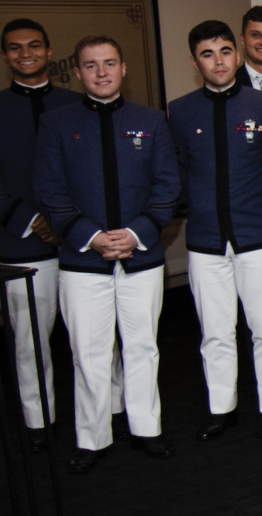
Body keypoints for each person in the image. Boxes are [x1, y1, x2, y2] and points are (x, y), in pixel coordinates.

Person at [33, 35, 180, 473]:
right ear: (77, 72)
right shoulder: (56, 124)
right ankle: (93, 438)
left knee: (142, 347)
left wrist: (136, 233)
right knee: (89, 351)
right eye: (91, 65)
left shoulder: (151, 121)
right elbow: (50, 192)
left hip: (141, 257)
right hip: (83, 261)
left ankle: (146, 429)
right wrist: (91, 236)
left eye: (110, 63)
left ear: (123, 68)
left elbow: (168, 186)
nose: (101, 72)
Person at [0, 18, 87, 452]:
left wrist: (70, 223)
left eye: (34, 45)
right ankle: (40, 421)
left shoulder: (80, 102)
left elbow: (95, 174)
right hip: (23, 244)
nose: (25, 53)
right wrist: (35, 221)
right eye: (15, 48)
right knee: (29, 340)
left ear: (50, 52)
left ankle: (109, 410)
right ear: (4, 56)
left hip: (82, 242)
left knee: (92, 337)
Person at [169, 21, 262, 442]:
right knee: (215, 331)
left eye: (224, 51)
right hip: (204, 239)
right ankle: (222, 407)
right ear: (194, 61)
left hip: (257, 234)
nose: (217, 61)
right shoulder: (180, 110)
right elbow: (178, 170)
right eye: (207, 53)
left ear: (236, 56)